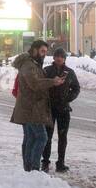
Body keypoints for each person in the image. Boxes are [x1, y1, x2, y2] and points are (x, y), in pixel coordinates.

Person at [10, 39, 65, 172]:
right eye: (42, 51)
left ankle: (29, 168)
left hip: (30, 107)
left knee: (30, 138)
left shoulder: (33, 63)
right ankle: (33, 168)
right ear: (34, 50)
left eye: (45, 52)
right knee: (41, 137)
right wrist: (52, 82)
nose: (44, 54)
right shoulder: (29, 65)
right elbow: (34, 83)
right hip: (30, 108)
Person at [42, 47, 81, 172]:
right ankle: (45, 162)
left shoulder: (69, 73)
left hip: (63, 109)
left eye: (61, 56)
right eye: (57, 56)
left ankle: (61, 163)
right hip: (50, 109)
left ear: (64, 59)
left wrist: (67, 98)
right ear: (53, 58)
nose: (59, 58)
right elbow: (41, 87)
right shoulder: (47, 71)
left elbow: (76, 88)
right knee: (47, 136)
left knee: (62, 137)